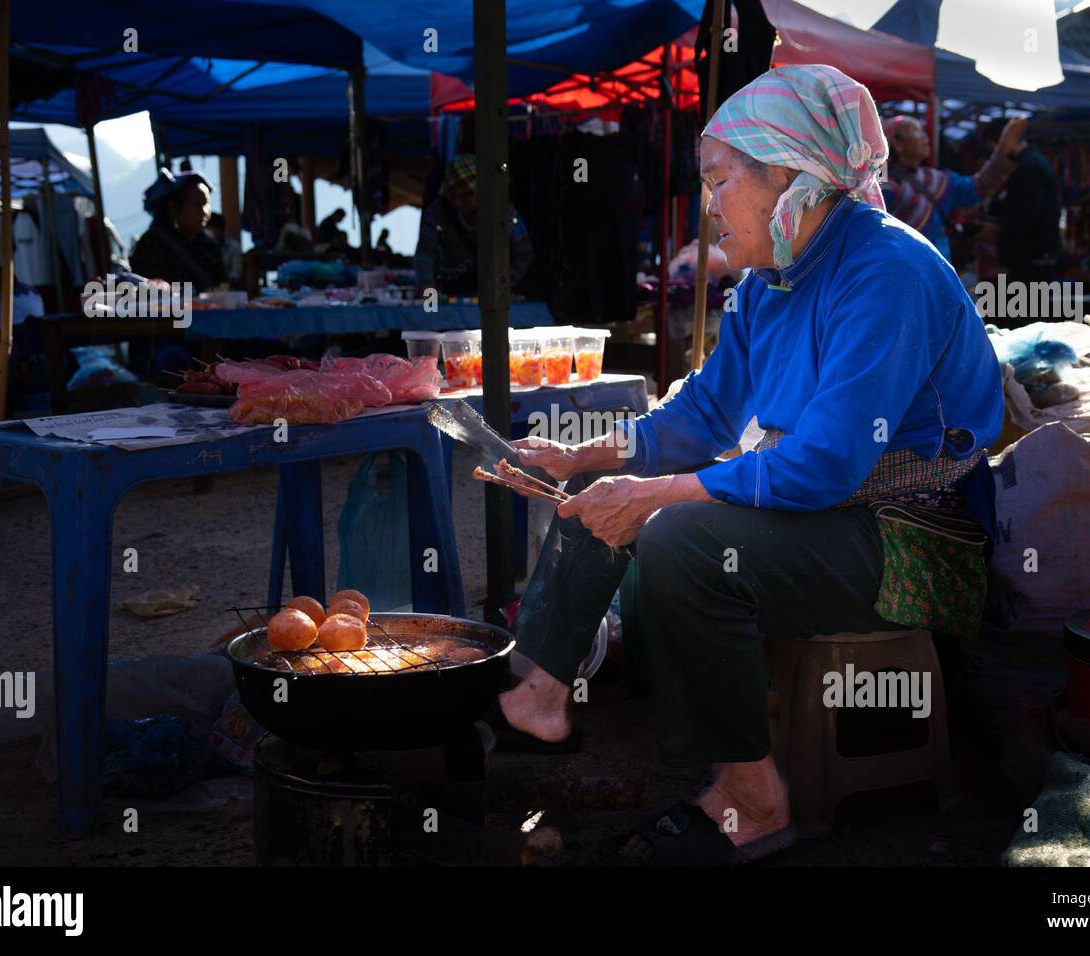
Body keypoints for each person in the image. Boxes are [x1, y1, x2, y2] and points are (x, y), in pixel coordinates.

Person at [486, 65, 1004, 866]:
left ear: (792, 178)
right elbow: (701, 417)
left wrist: (656, 495)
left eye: (721, 180)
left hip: (916, 541)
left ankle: (752, 801)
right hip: (833, 513)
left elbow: (828, 462)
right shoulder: (770, 282)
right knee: (602, 493)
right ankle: (540, 692)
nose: (710, 204)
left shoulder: (886, 271)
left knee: (679, 541)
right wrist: (579, 455)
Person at [881, 113, 1027, 259]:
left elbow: (979, 186)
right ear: (897, 144)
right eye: (916, 131)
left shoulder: (938, 179)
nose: (925, 137)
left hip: (938, 265)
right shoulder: (883, 188)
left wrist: (1003, 152)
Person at [413, 154, 533, 295]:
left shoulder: (503, 212)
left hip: (495, 296)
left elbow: (523, 253)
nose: (457, 202)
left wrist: (503, 286)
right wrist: (427, 290)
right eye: (452, 195)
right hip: (448, 292)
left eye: (465, 195)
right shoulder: (437, 211)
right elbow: (426, 253)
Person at [980, 118, 1062, 283]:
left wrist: (1000, 227)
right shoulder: (1031, 161)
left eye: (996, 152)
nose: (998, 158)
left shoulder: (1028, 166)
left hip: (1031, 260)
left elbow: (1031, 213)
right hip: (1033, 257)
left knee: (1026, 308)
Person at [129, 168, 227, 290]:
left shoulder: (209, 246)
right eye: (196, 205)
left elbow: (222, 284)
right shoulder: (152, 244)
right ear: (173, 207)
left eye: (206, 204)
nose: (204, 211)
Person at [206, 213, 243, 287]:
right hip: (203, 289)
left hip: (225, 288)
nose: (211, 232)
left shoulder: (233, 246)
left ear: (221, 229)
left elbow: (236, 274)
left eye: (214, 228)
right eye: (209, 229)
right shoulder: (201, 246)